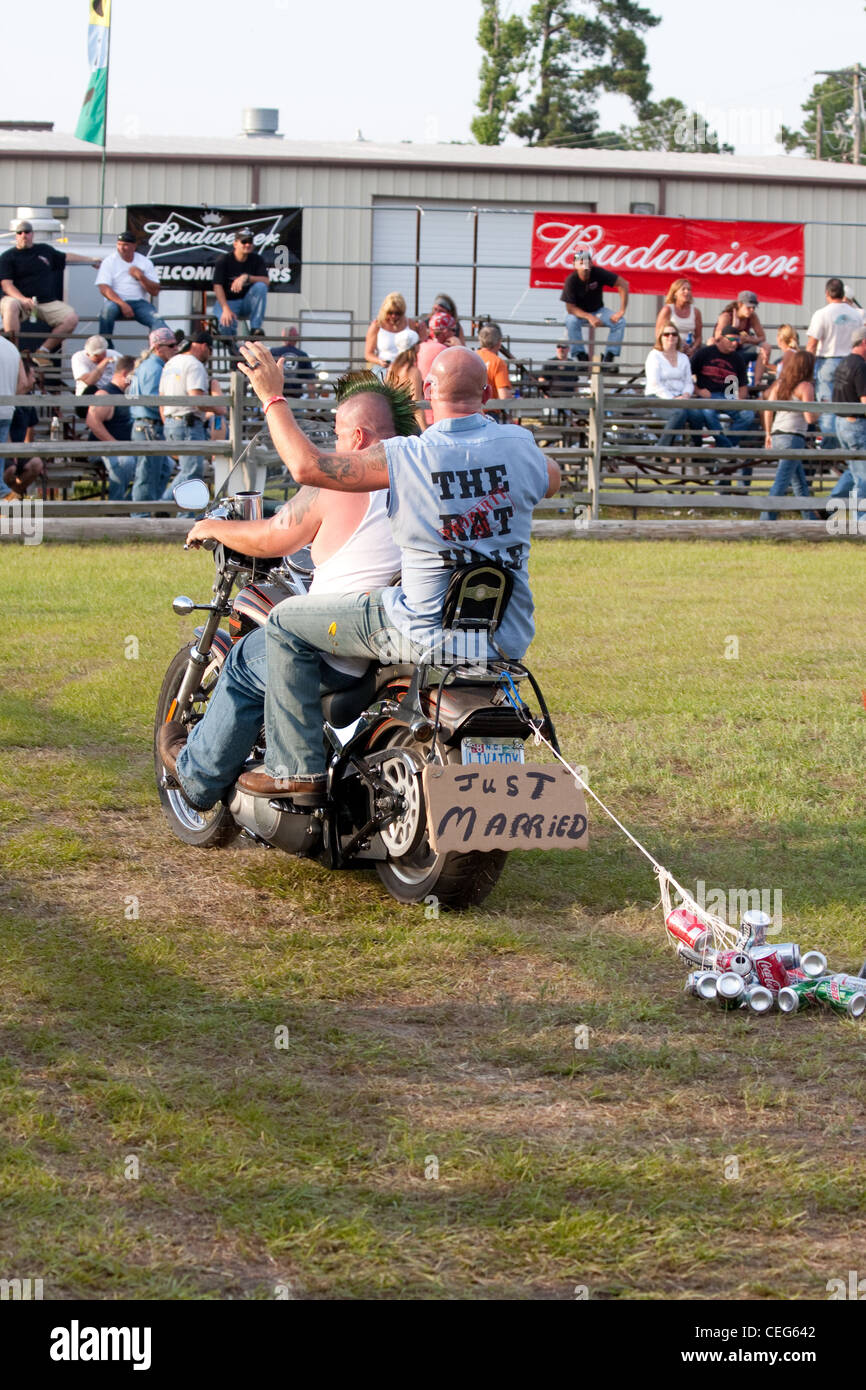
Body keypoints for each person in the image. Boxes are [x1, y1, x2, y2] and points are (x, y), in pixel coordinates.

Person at [226, 344, 561, 801]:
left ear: (428, 392)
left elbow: (308, 466)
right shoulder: (521, 447)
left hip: (423, 631)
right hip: (505, 635)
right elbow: (552, 477)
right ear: (487, 392)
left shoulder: (409, 456)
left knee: (285, 620)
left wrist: (272, 398)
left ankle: (295, 770)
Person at [156, 375, 415, 810]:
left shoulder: (338, 485)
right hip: (391, 639)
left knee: (241, 663)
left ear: (357, 436)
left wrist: (213, 526)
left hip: (336, 650)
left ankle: (196, 775)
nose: (332, 445)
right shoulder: (418, 479)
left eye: (335, 434)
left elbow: (272, 536)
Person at [0, 219, 98, 366]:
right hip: (18, 300)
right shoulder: (8, 256)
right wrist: (23, 299)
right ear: (16, 236)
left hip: (45, 301)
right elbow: (6, 285)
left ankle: (43, 351)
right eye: (20, 233)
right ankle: (13, 354)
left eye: (27, 232)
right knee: (10, 305)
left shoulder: (45, 250)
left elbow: (66, 257)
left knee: (71, 318)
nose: (23, 235)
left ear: (32, 234)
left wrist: (91, 259)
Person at [158, 331, 225, 496]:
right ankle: (167, 508)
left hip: (171, 421)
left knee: (188, 471)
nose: (209, 355)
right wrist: (219, 409)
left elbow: (161, 398)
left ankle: (165, 507)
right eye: (210, 350)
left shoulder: (171, 363)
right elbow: (196, 399)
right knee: (192, 474)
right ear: (203, 346)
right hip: (188, 423)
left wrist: (167, 421)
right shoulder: (195, 365)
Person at [806, 277, 866, 452]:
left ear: (827, 294)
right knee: (849, 409)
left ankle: (830, 450)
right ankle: (845, 447)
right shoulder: (856, 314)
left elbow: (812, 344)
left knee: (828, 409)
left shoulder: (822, 314)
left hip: (828, 362)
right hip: (852, 362)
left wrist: (808, 371)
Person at [690, 330, 759, 483]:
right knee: (707, 413)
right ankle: (728, 449)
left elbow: (742, 385)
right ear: (721, 339)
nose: (736, 343)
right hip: (707, 396)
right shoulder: (704, 353)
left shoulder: (737, 359)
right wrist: (699, 391)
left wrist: (740, 399)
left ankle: (724, 448)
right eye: (732, 339)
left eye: (738, 340)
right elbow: (687, 377)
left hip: (729, 396)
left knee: (748, 414)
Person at [760, 351, 818, 521]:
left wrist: (768, 434)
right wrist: (820, 410)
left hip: (778, 434)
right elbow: (809, 417)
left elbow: (768, 408)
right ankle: (766, 520)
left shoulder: (780, 384)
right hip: (793, 437)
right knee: (782, 482)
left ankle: (810, 519)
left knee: (799, 482)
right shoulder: (806, 387)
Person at [128, 327, 179, 503]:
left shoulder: (151, 365)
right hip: (149, 426)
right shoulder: (154, 368)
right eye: (171, 345)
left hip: (148, 426)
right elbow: (153, 399)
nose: (176, 348)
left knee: (161, 469)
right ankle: (141, 516)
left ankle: (151, 510)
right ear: (158, 348)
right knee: (147, 474)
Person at [560, 246, 628, 363]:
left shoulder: (598, 272)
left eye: (587, 262)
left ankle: (609, 356)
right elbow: (570, 308)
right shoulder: (571, 280)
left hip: (598, 311)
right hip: (580, 314)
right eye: (581, 263)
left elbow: (623, 284)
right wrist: (589, 317)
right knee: (570, 321)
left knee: (620, 321)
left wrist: (622, 310)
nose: (584, 266)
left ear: (591, 263)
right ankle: (581, 355)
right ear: (574, 265)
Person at [96, 231, 167, 344]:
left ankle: (165, 344)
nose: (121, 248)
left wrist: (140, 276)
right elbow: (103, 288)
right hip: (115, 302)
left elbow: (155, 291)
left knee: (157, 319)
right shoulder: (109, 261)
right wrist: (123, 304)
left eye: (125, 245)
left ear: (134, 246)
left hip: (139, 302)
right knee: (107, 311)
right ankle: (105, 347)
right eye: (119, 244)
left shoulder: (144, 262)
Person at [84, 355, 136, 501]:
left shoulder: (130, 395)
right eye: (135, 375)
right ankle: (116, 505)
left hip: (129, 448)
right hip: (103, 448)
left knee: (160, 463)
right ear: (126, 374)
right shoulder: (105, 394)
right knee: (125, 462)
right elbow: (92, 421)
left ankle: (133, 503)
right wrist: (115, 445)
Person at [644, 325, 704, 449]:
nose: (670, 337)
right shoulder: (654, 356)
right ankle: (661, 449)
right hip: (656, 397)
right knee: (678, 414)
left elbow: (688, 381)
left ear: (678, 338)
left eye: (674, 334)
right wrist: (673, 399)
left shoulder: (683, 358)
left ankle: (697, 450)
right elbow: (655, 383)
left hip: (681, 397)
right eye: (666, 334)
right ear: (660, 337)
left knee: (697, 415)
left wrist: (686, 394)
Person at [827, 327, 866, 507]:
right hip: (856, 423)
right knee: (863, 476)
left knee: (853, 469)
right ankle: (861, 518)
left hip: (841, 422)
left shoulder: (843, 363)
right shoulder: (860, 366)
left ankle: (830, 505)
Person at [212, 230, 270, 339]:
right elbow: (217, 286)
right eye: (244, 241)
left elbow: (266, 281)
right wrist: (225, 309)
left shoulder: (257, 259)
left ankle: (255, 329)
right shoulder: (224, 260)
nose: (247, 244)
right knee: (225, 322)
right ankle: (233, 347)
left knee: (261, 286)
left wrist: (246, 277)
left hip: (246, 303)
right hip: (228, 302)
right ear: (235, 244)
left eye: (250, 241)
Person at [5, 352, 45, 499]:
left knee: (36, 464)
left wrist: (27, 450)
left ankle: (13, 496)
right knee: (10, 469)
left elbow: (30, 429)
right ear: (22, 377)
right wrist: (11, 452)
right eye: (32, 376)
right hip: (5, 447)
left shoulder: (28, 401)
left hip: (18, 449)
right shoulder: (7, 397)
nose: (34, 380)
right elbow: (4, 427)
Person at [0, 334, 31, 501]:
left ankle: (5, 494)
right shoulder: (13, 349)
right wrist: (9, 396)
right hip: (6, 411)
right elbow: (25, 383)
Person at [713, 291, 768, 386]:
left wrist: (749, 339)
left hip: (741, 350)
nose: (751, 310)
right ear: (740, 304)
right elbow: (717, 337)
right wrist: (733, 329)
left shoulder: (752, 317)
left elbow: (762, 337)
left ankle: (757, 382)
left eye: (753, 308)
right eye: (748, 307)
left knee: (766, 347)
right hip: (725, 351)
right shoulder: (726, 316)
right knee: (711, 342)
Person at [364, 293, 420, 368]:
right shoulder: (377, 325)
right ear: (385, 311)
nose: (393, 316)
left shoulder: (409, 323)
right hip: (384, 367)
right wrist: (379, 361)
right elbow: (368, 354)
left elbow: (417, 347)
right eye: (390, 313)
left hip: (405, 367)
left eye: (398, 313)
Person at [655, 279, 702, 359]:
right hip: (671, 348)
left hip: (689, 350)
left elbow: (699, 337)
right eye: (683, 289)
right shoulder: (667, 310)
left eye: (689, 289)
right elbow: (658, 334)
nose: (686, 292)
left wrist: (693, 349)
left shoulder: (695, 311)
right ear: (675, 293)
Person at [385, 345, 425, 429]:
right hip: (408, 422)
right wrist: (424, 429)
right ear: (415, 347)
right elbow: (415, 403)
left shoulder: (392, 368)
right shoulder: (413, 371)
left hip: (392, 419)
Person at [273, 325, 315, 397]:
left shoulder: (273, 352)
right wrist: (312, 404)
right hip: (295, 398)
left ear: (283, 337)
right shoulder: (303, 355)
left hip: (276, 398)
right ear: (296, 338)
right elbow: (310, 382)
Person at [476, 323, 511, 400]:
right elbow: (504, 396)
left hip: (469, 408)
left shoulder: (471, 357)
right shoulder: (497, 362)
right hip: (489, 409)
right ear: (499, 342)